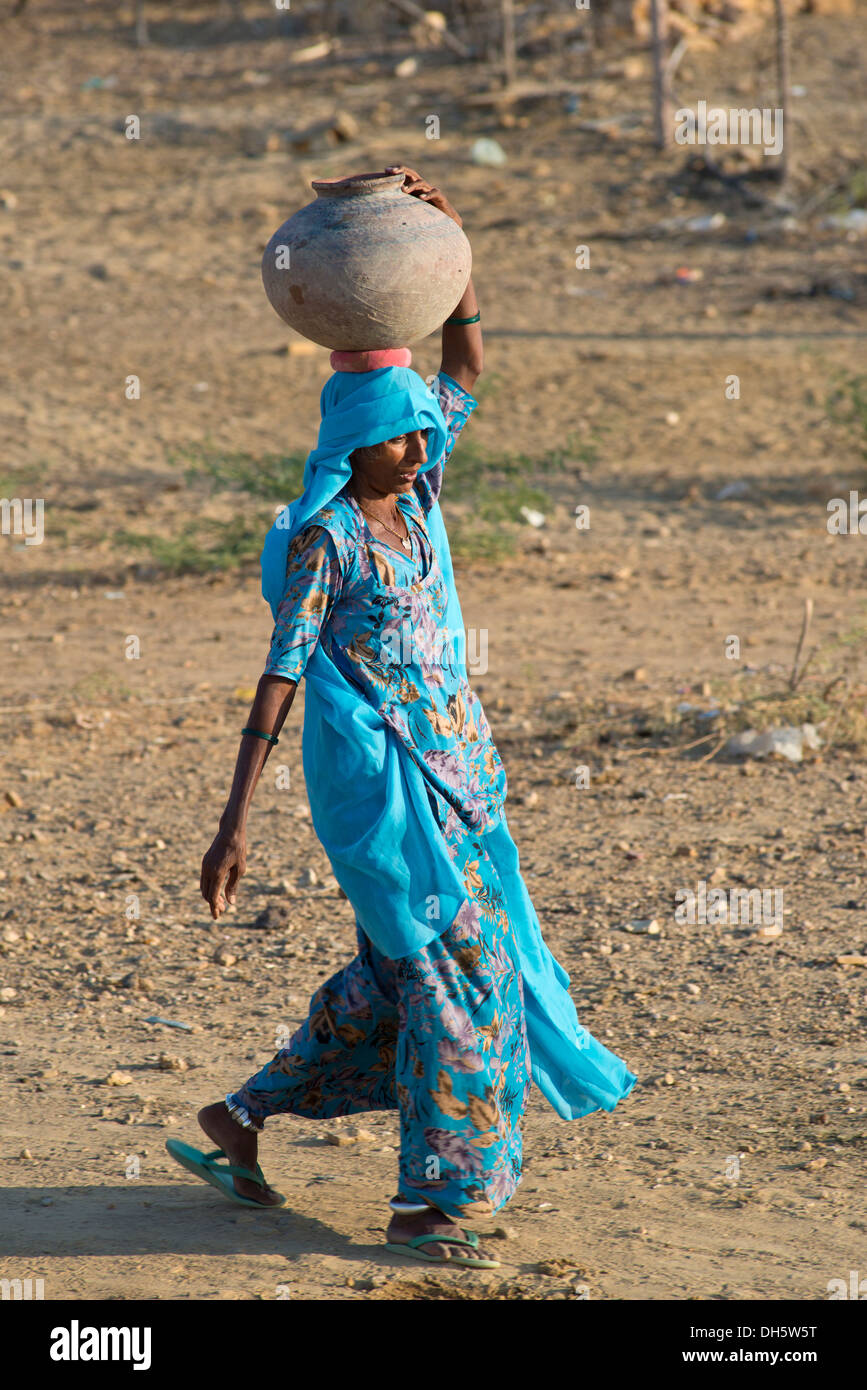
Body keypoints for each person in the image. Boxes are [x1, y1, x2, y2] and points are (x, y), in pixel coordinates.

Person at [168, 166, 636, 1268]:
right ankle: (436, 1201)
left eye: (425, 434)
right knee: (463, 974)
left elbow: (464, 362)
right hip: (377, 795)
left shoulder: (419, 498)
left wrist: (453, 251)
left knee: (399, 974)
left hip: (459, 776)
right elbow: (279, 676)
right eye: (399, 439)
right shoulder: (327, 541)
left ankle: (243, 1115)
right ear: (349, 447)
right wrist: (235, 822)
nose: (421, 450)